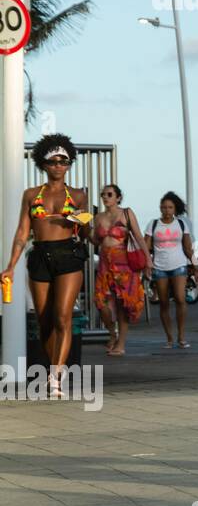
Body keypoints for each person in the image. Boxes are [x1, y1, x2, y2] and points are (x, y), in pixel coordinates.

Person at [2, 134, 91, 395]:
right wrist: (10, 266)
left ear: (69, 164)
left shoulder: (77, 195)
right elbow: (22, 233)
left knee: (63, 317)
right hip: (40, 254)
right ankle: (55, 365)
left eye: (64, 161)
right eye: (53, 161)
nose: (58, 166)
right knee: (44, 320)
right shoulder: (31, 195)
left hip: (68, 254)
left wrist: (83, 221)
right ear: (44, 163)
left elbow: (87, 234)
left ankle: (55, 376)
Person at [91, 184, 147, 356]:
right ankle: (112, 332)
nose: (105, 197)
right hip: (105, 262)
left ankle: (120, 344)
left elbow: (138, 236)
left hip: (124, 263)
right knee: (101, 302)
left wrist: (149, 260)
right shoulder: (98, 217)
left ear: (118, 197)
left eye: (109, 194)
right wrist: (84, 231)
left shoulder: (126, 213)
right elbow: (95, 241)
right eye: (103, 195)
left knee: (123, 304)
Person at [146, 192, 198, 349]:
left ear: (175, 209)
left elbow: (188, 248)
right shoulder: (153, 224)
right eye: (164, 207)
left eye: (170, 207)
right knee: (163, 303)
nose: (166, 210)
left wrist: (195, 267)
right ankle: (169, 337)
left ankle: (181, 336)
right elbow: (146, 246)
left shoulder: (181, 224)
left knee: (180, 299)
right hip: (159, 267)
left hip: (179, 265)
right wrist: (146, 264)